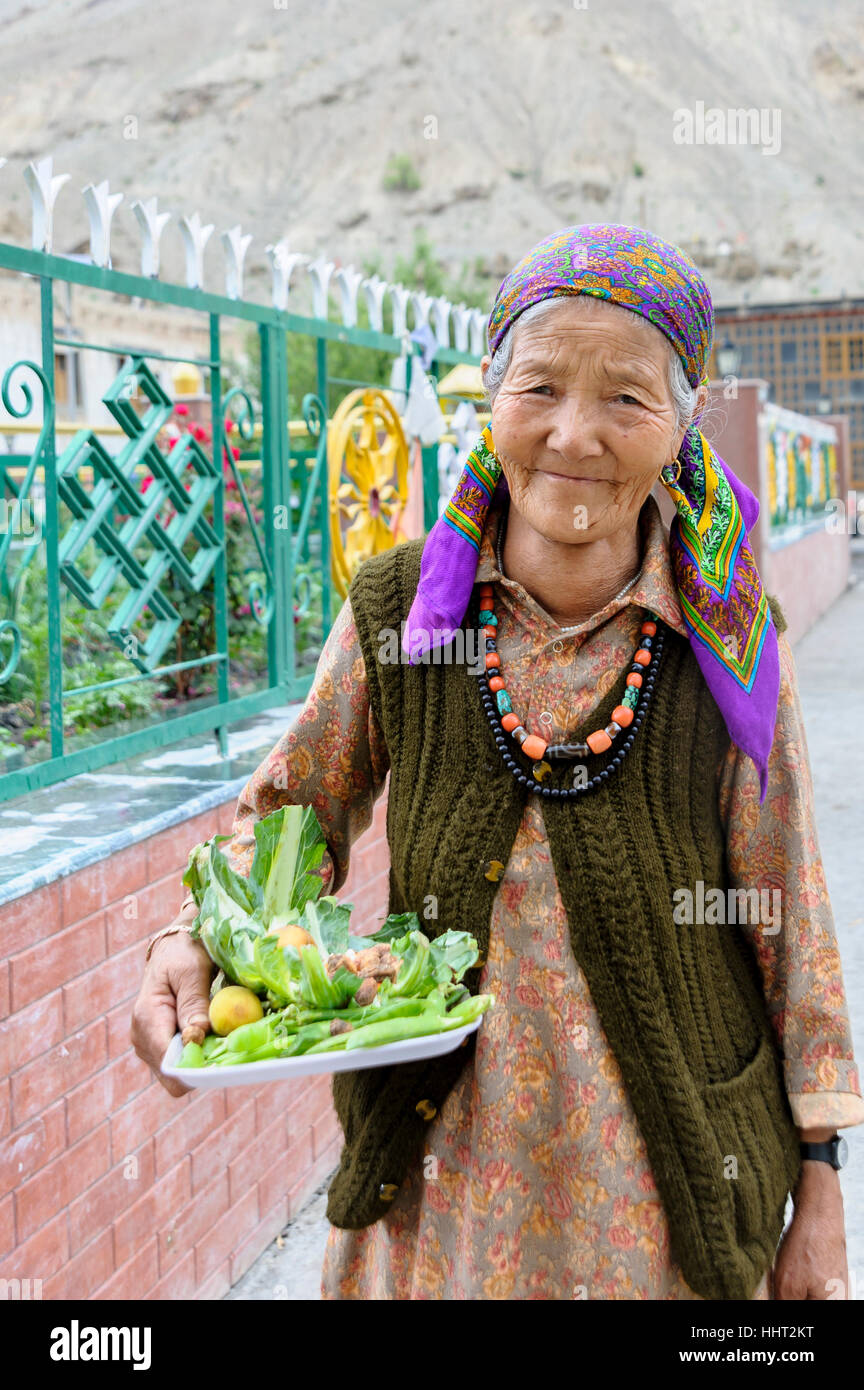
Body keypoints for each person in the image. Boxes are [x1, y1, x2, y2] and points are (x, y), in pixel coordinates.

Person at [132, 224, 863, 1301]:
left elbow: (788, 906)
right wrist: (195, 933)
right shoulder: (400, 617)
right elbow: (291, 818)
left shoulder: (729, 641)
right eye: (541, 387)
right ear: (490, 394)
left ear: (684, 423)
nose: (574, 434)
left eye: (626, 397)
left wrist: (823, 1184)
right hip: (442, 1212)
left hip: (668, 1222)